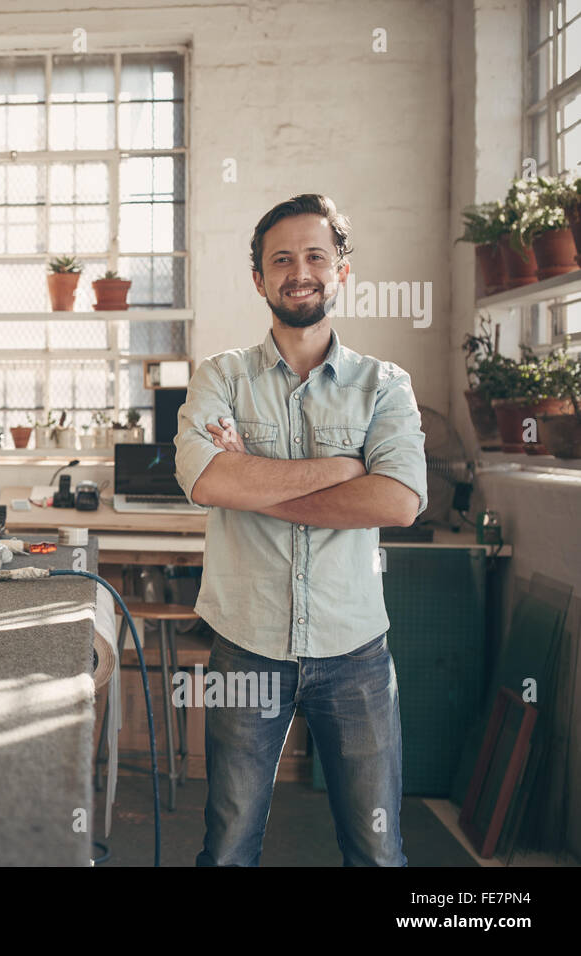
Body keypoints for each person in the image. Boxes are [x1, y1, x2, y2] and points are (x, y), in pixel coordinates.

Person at [173, 193, 427, 866]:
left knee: (377, 849)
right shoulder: (219, 377)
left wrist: (253, 483)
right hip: (245, 642)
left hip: (356, 653)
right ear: (259, 279)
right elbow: (204, 481)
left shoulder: (385, 386)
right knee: (227, 846)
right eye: (280, 259)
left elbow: (399, 501)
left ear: (342, 270)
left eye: (316, 256)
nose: (299, 271)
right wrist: (343, 469)